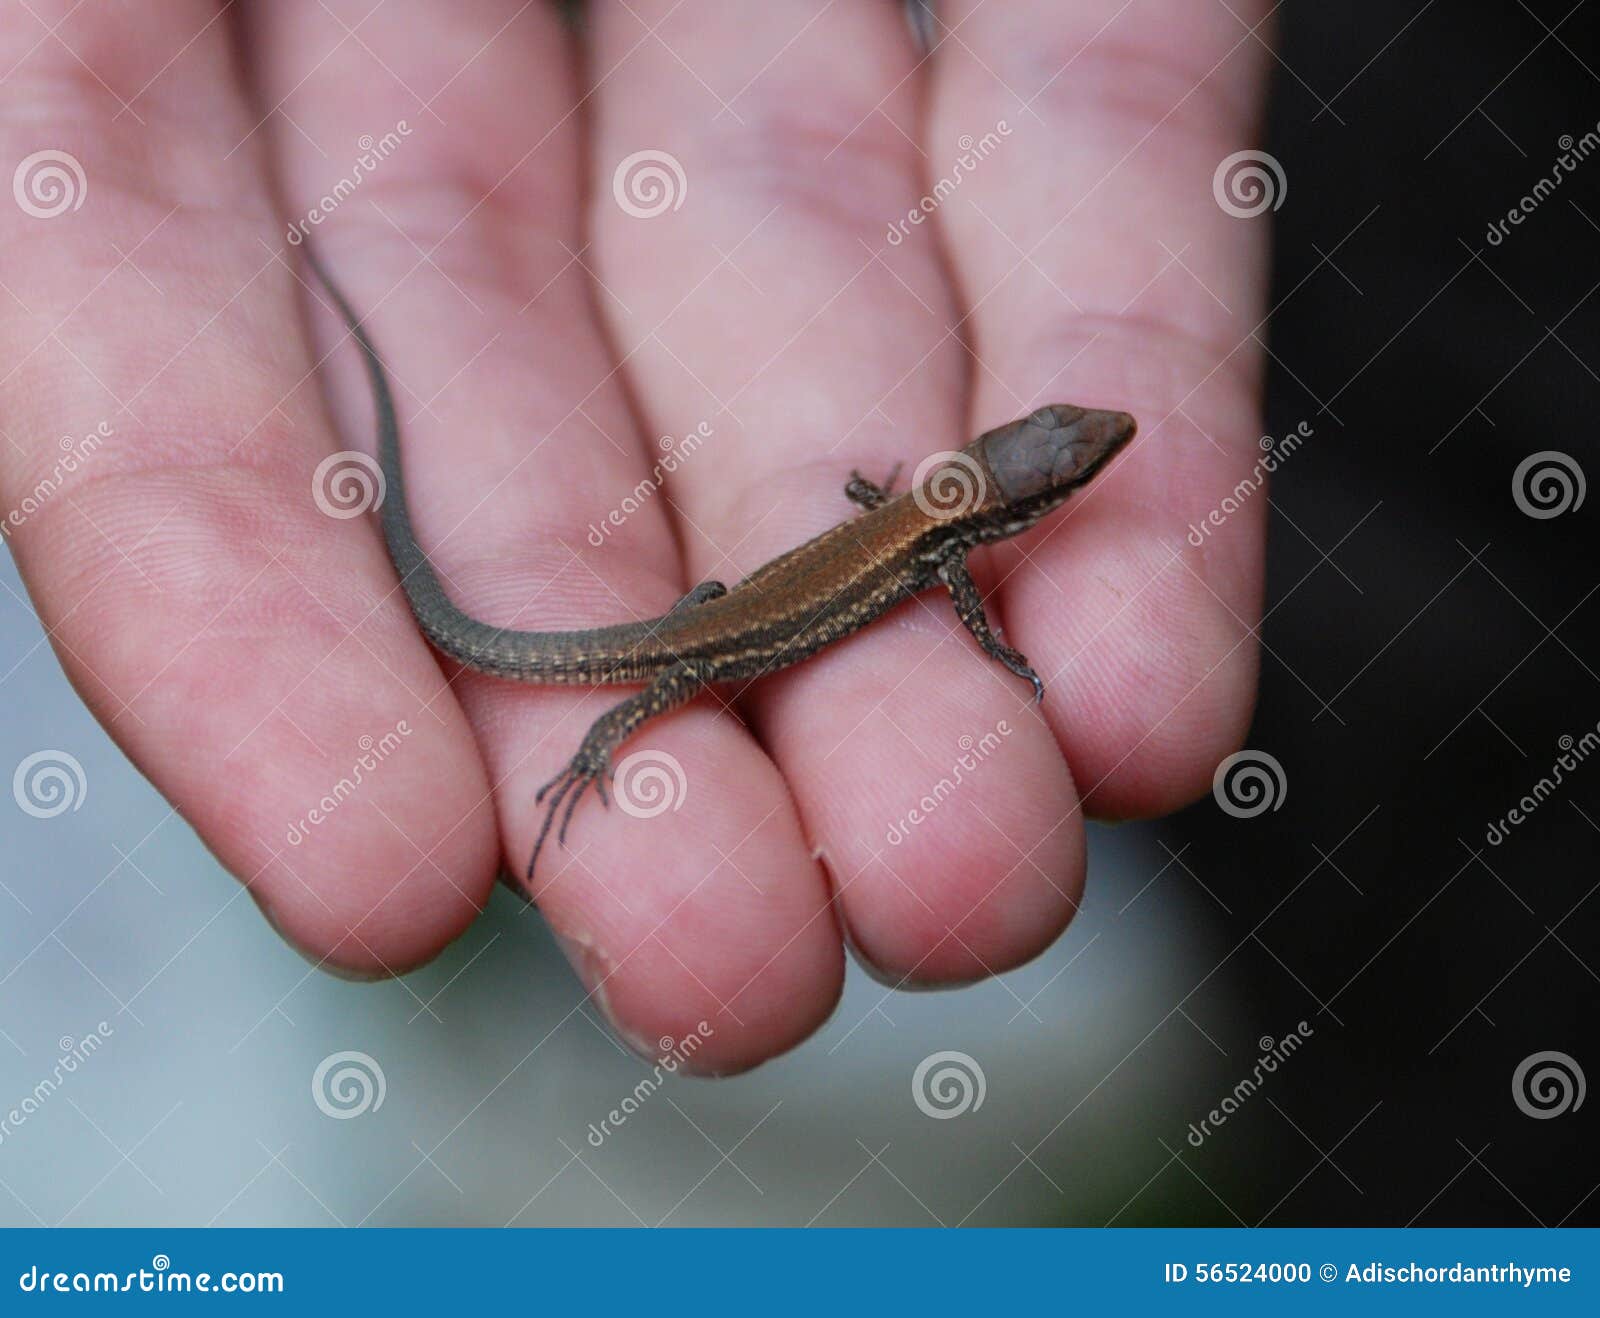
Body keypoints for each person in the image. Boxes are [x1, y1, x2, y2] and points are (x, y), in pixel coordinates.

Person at [0, 0, 1268, 1074]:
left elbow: (895, 525)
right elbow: (968, 605)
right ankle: (592, 750)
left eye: (1073, 448)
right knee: (669, 680)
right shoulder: (944, 542)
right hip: (708, 638)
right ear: (1017, 496)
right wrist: (995, 659)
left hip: (722, 607)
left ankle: (599, 741)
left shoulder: (927, 521)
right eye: (1071, 452)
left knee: (695, 649)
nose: (1086, 444)